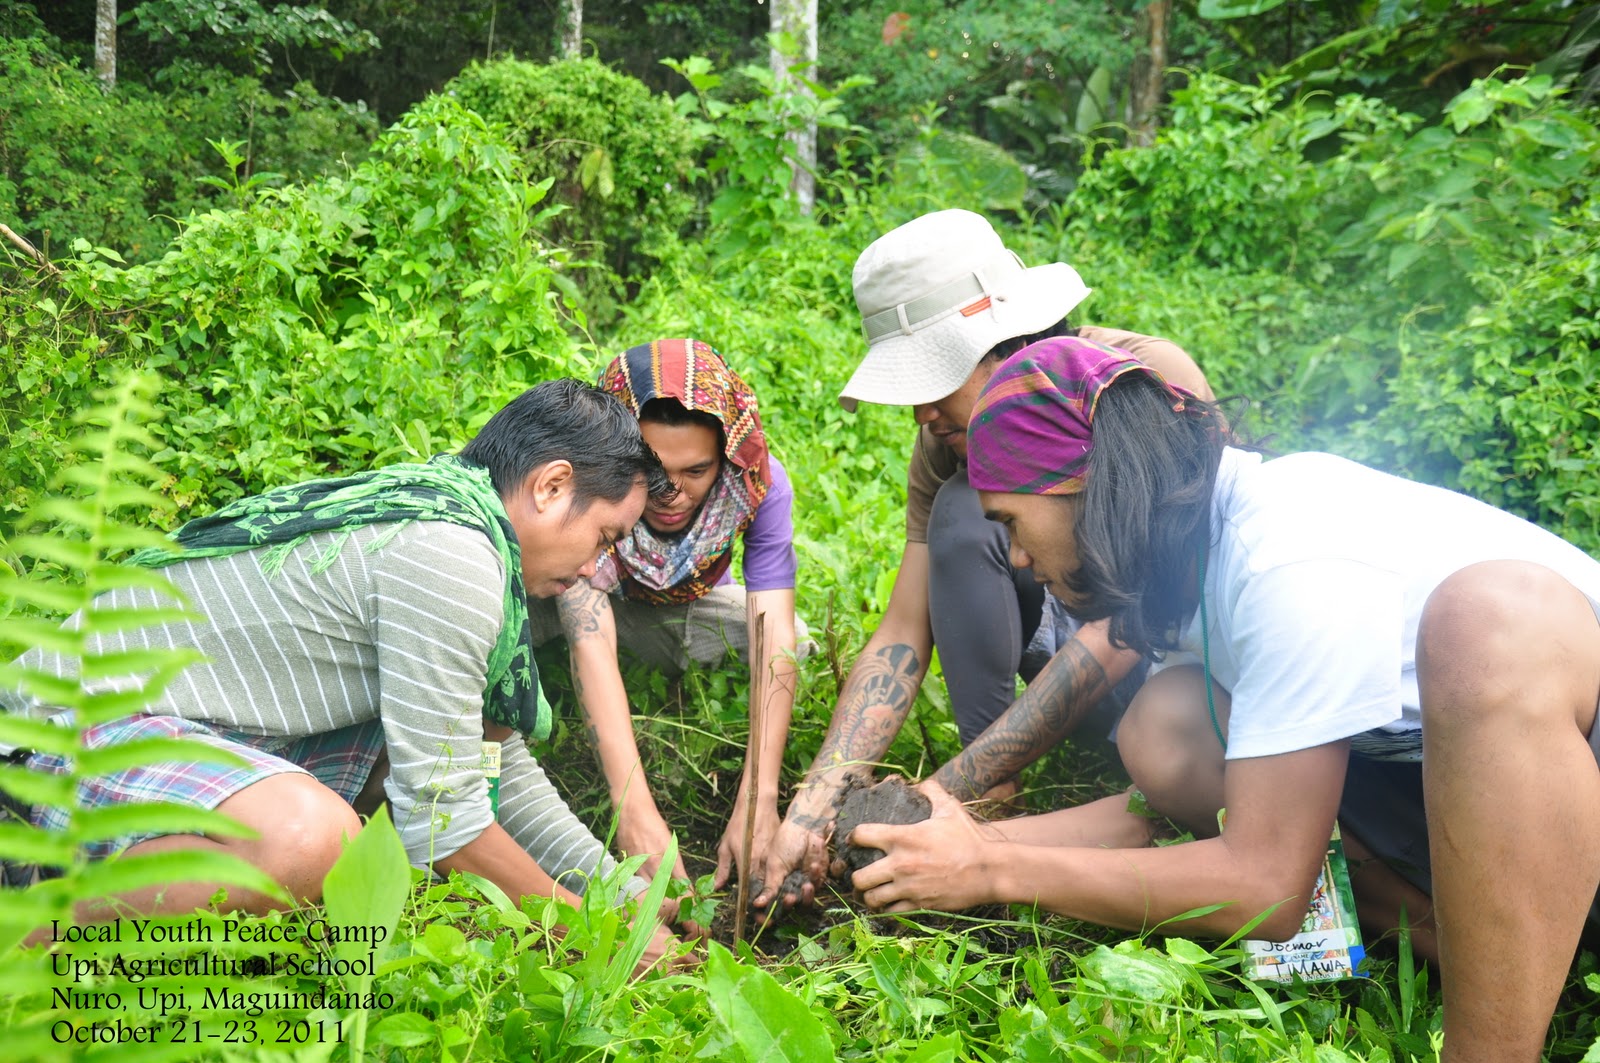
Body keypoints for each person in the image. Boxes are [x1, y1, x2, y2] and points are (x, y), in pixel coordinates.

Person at [851, 335, 1600, 1063]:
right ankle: (1503, 953)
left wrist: (992, 871)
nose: (1016, 557)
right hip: (1474, 805)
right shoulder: (1188, 562)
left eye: (1012, 522)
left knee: (1490, 619)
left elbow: (1267, 886)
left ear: (1084, 485)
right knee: (1168, 725)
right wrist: (965, 842)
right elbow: (1158, 810)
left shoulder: (1287, 549)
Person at [1, 380, 684, 965]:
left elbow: (487, 767)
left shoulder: (447, 517)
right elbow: (443, 822)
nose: (598, 569)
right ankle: (33, 935)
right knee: (312, 837)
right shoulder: (452, 555)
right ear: (551, 485)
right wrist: (599, 936)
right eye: (606, 538)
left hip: (155, 733)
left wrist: (629, 897)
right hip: (59, 728)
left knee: (390, 775)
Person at [755, 209, 1212, 909]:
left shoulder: (1140, 385)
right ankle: (998, 788)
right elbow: (905, 629)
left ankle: (993, 807)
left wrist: (939, 794)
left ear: (1003, 344)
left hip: (1168, 665)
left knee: (1165, 740)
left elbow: (1128, 624)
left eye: (933, 382)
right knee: (963, 514)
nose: (921, 415)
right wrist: (813, 806)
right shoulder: (946, 438)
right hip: (1069, 670)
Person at [530, 339, 802, 893]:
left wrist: (758, 798)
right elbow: (589, 634)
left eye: (697, 470)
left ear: (726, 456)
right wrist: (633, 808)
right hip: (587, 596)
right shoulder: (590, 481)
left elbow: (772, 634)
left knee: (796, 636)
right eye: (651, 469)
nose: (673, 492)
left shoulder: (757, 486)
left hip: (687, 612)